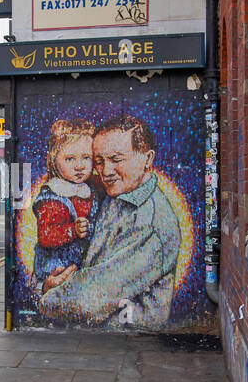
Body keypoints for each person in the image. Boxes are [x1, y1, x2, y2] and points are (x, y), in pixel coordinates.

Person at [37, 115, 181, 328]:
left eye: (116, 159)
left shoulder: (151, 223)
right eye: (99, 162)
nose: (106, 171)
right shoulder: (117, 195)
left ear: (148, 159)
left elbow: (90, 298)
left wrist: (47, 294)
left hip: (128, 339)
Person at [32, 119, 98, 282]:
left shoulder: (90, 188)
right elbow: (46, 236)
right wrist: (73, 231)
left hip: (80, 268)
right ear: (54, 159)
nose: (79, 166)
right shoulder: (54, 195)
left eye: (86, 158)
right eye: (70, 159)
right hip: (57, 269)